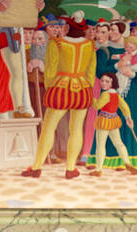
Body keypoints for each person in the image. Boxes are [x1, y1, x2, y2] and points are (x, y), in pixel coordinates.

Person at [24, 11, 95, 180]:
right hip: (82, 88)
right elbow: (90, 73)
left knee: (48, 127)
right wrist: (89, 89)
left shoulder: (57, 43)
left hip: (61, 88)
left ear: (68, 27)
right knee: (76, 129)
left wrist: (49, 88)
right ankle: (70, 168)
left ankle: (37, 167)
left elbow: (50, 69)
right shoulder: (90, 45)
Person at [89, 73, 137, 176]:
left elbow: (97, 106)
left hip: (104, 122)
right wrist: (128, 117)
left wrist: (92, 98)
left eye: (107, 81)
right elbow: (124, 106)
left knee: (101, 145)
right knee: (119, 143)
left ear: (113, 83)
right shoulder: (116, 95)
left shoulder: (105, 94)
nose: (103, 83)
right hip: (113, 121)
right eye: (102, 81)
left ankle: (98, 170)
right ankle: (128, 163)